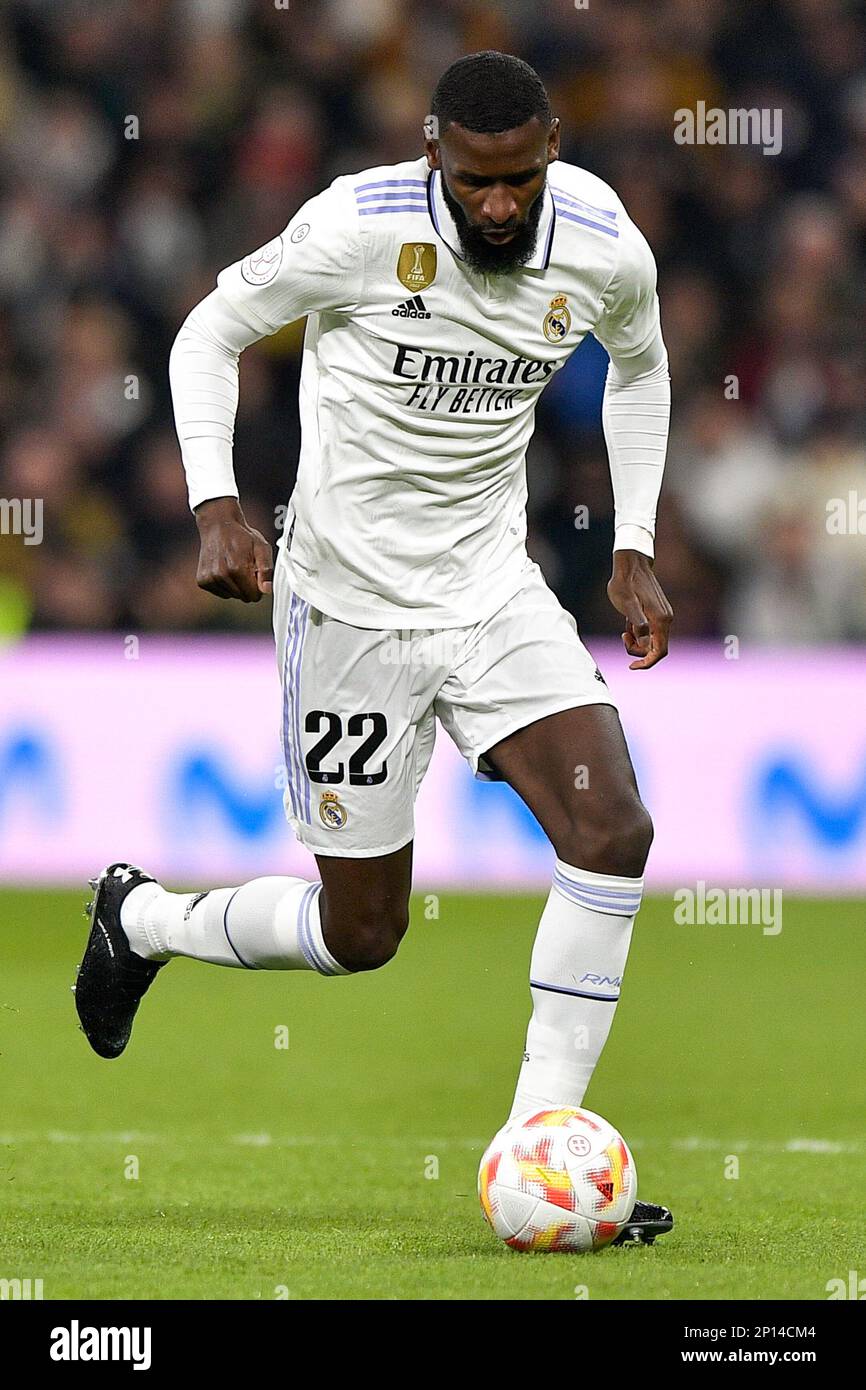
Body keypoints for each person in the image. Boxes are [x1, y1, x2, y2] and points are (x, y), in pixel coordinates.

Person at [75, 51, 674, 1244]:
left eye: (515, 182)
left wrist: (632, 540)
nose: (495, 207)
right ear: (432, 152)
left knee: (613, 827)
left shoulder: (604, 243)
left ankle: (537, 1151)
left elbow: (642, 368)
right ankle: (141, 921)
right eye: (472, 183)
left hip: (492, 590)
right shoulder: (356, 226)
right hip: (345, 604)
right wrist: (213, 504)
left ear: (551, 144)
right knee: (363, 935)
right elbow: (206, 335)